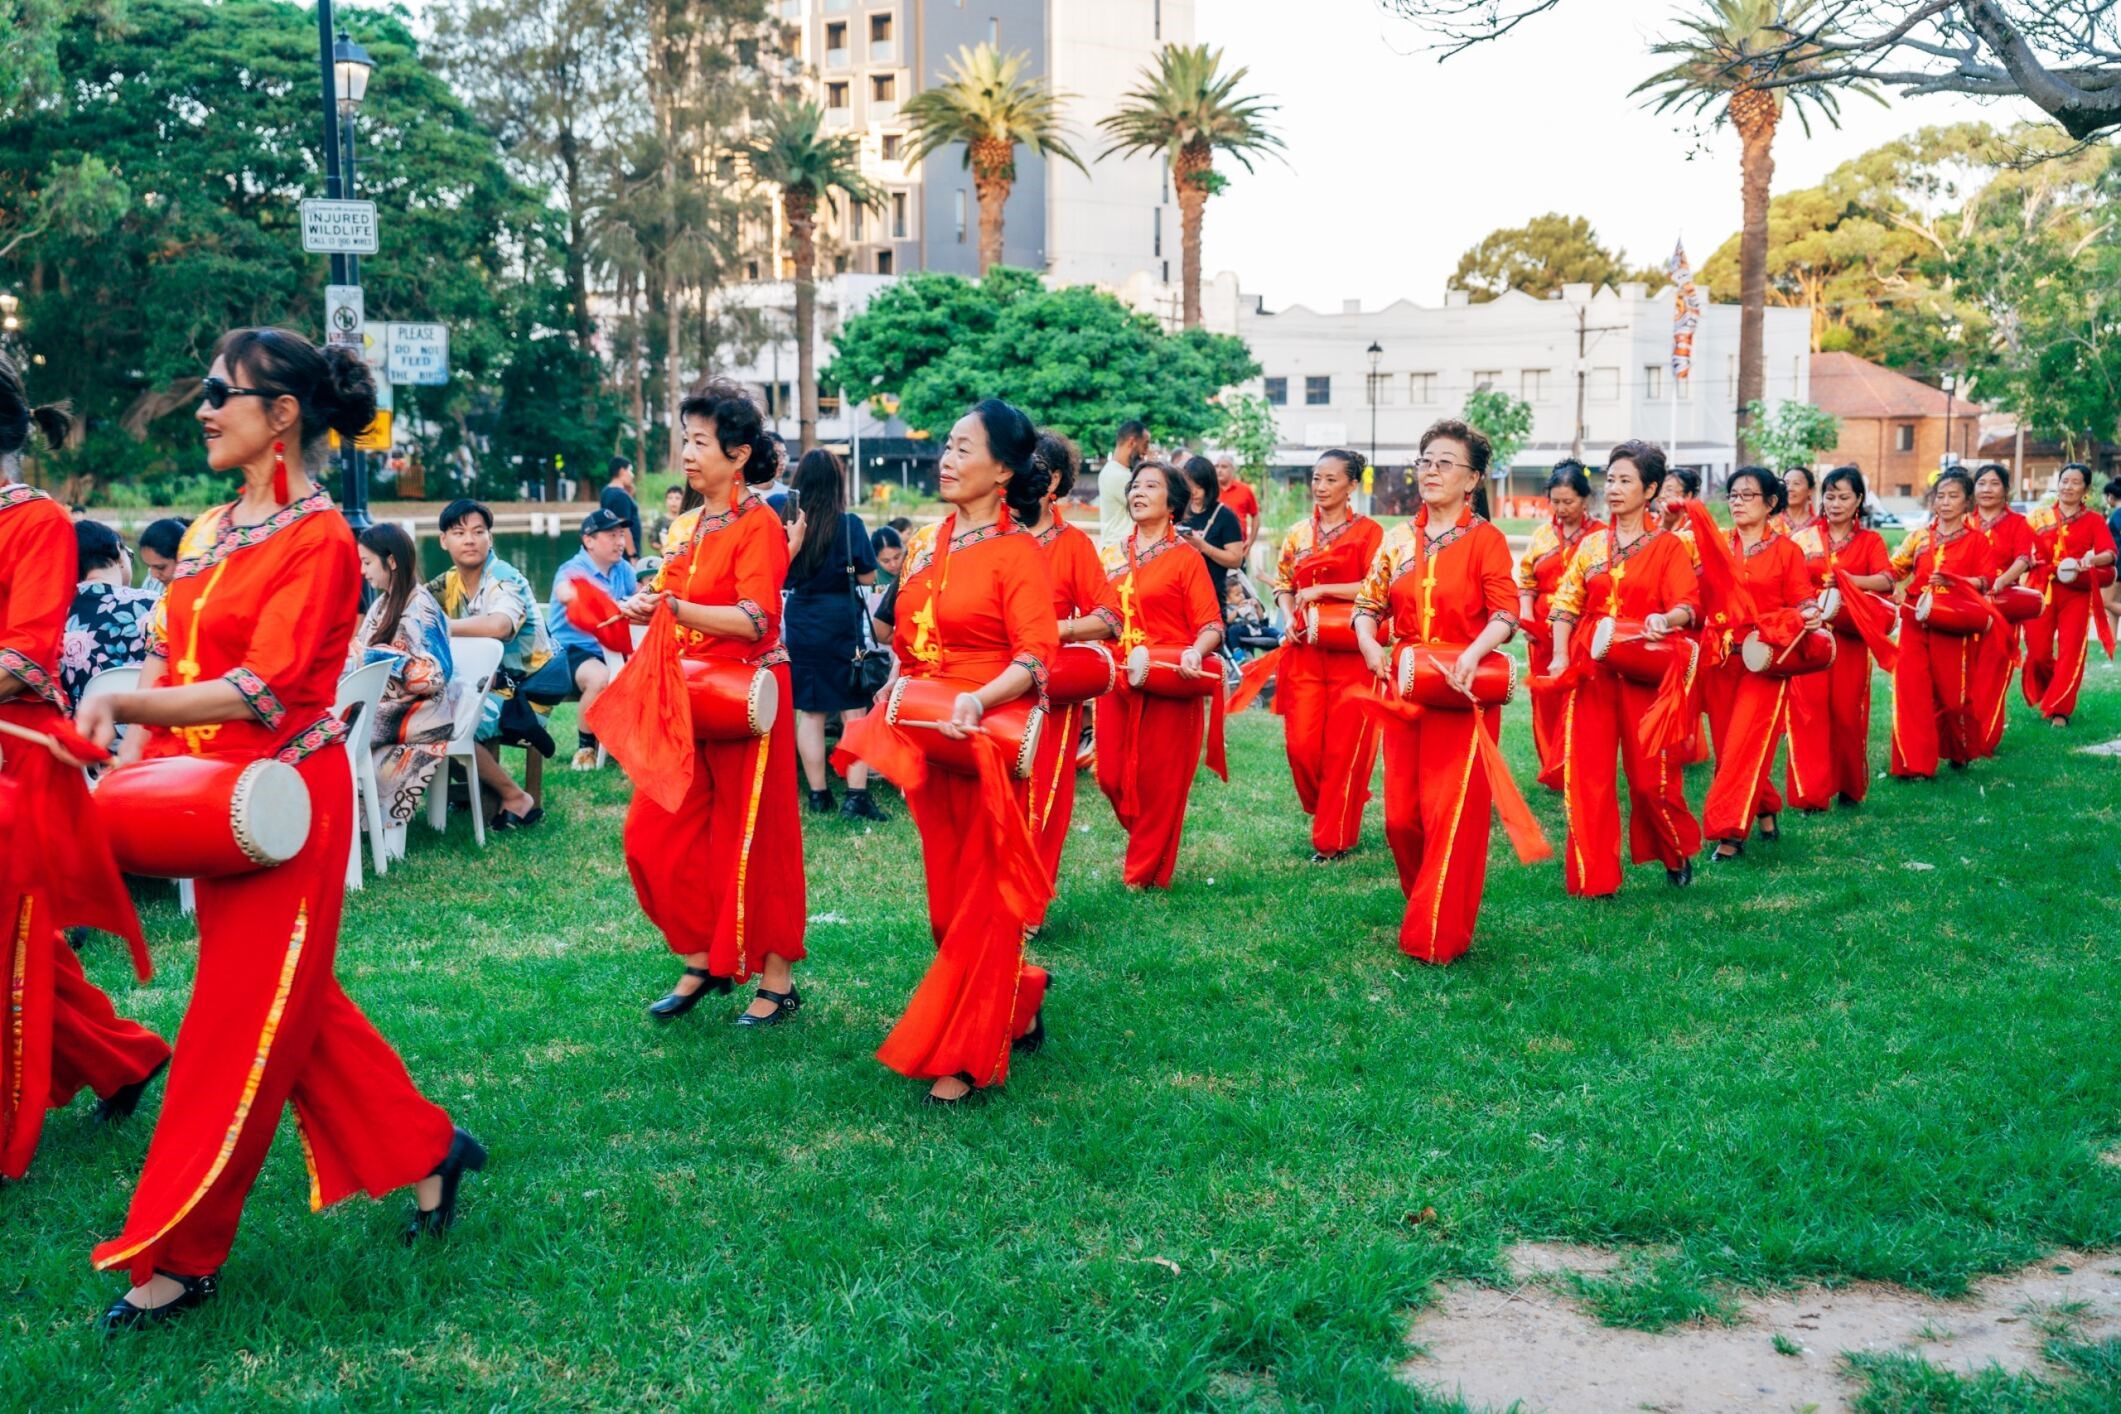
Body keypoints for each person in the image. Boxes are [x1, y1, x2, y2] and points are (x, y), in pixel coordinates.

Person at [78, 327, 483, 1331]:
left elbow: (263, 690)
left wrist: (125, 712)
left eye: (224, 391)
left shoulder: (319, 539)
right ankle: (429, 1149)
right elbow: (173, 659)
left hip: (282, 806)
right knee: (293, 1011)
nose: (205, 406)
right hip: (206, 800)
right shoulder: (213, 525)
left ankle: (175, 1255)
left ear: (283, 415)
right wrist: (135, 742)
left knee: (233, 1026)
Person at [847, 399, 1059, 1105]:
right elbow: (906, 643)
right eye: (946, 445)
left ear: (1002, 469)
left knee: (984, 900)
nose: (946, 458)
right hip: (927, 738)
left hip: (987, 735)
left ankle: (970, 1053)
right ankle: (1021, 992)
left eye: (964, 449)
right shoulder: (926, 542)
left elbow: (1037, 656)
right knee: (945, 908)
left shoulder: (1018, 552)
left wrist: (981, 697)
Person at [0, 354, 170, 1187]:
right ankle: (127, 1057)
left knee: (9, 945)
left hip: (17, 764)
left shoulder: (34, 524)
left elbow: (27, 660)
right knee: (23, 953)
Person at [617, 380, 807, 1026]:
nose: (688, 454)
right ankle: (705, 957)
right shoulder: (692, 526)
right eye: (686, 440)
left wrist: (676, 606)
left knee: (759, 839)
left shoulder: (762, 526)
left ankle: (776, 982)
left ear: (739, 453)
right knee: (651, 833)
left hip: (751, 696)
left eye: (700, 442)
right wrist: (647, 601)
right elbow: (669, 590)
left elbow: (757, 619)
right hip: (693, 694)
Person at [1352, 420, 1521, 964]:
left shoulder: (1486, 540)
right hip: (1404, 685)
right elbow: (1365, 607)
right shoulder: (1398, 540)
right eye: (1425, 459)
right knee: (1402, 819)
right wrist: (1369, 646)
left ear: (1471, 479)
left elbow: (1505, 613)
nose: (1430, 469)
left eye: (1445, 462)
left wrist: (1472, 655)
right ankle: (1428, 903)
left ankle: (1438, 937)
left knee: (1452, 814)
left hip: (1462, 689)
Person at [1548, 440, 1704, 895]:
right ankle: (1594, 878)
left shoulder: (1668, 546)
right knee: (1588, 777)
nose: (1613, 489)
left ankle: (1674, 851)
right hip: (1592, 667)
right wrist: (1560, 654)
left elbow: (1687, 605)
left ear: (1650, 488)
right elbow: (1565, 604)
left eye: (1625, 481)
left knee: (1649, 780)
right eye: (1610, 479)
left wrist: (1666, 618)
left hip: (1645, 666)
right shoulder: (1593, 544)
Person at [1095, 459, 1226, 890]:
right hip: (1117, 677)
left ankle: (1142, 872)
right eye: (1134, 485)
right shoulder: (1111, 554)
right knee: (1111, 776)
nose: (1137, 492)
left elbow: (1211, 625)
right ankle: (1152, 840)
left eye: (1150, 486)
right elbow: (1098, 612)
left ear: (1172, 503)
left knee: (1160, 783)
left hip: (1171, 677)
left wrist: (1195, 651)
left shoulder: (1186, 559)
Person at [1270, 450, 1384, 862]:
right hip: (1304, 651)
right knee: (1301, 746)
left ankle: (1333, 838)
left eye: (1331, 479)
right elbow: (1283, 584)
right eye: (1316, 478)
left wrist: (1323, 591)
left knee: (1343, 748)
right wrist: (1286, 615)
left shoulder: (1371, 533)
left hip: (1353, 651)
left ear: (1352, 485)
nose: (1320, 487)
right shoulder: (1299, 534)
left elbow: (1378, 587)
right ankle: (1333, 808)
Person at [1699, 467, 1816, 862]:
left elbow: (1803, 602)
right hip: (1720, 660)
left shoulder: (1787, 552)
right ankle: (1766, 808)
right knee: (1729, 747)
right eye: (1733, 494)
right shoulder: (1713, 546)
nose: (1737, 501)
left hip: (1765, 661)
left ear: (1770, 503)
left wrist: (1811, 613)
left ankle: (1729, 834)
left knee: (1744, 744)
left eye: (1748, 495)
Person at [1026, 430, 1120, 909]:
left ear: (1054, 479)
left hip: (1049, 689)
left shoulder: (1073, 545)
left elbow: (1108, 617)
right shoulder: (985, 537)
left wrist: (1055, 630)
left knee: (1043, 798)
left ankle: (1027, 906)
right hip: (985, 684)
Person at [427, 498, 550, 828]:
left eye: (479, 531)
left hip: (524, 693)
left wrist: (443, 627)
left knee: (444, 721)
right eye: (459, 532)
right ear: (444, 540)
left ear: (490, 538)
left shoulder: (504, 577)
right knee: (421, 713)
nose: (470, 539)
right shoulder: (449, 582)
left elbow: (499, 625)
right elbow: (415, 607)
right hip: (486, 686)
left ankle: (514, 796)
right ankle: (473, 791)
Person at [782, 448, 884, 819]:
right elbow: (868, 577)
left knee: (810, 711)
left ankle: (818, 794)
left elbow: (781, 571)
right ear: (837, 483)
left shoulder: (789, 523)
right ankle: (856, 796)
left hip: (801, 618)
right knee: (852, 709)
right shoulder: (849, 524)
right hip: (839, 620)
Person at [1785, 466, 1894, 810]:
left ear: (1859, 500)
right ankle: (1811, 795)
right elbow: (1787, 579)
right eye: (1830, 496)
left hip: (1849, 636)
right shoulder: (1804, 537)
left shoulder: (1869, 541)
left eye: (1843, 496)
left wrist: (1848, 581)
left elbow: (1887, 580)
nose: (1835, 503)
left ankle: (1849, 786)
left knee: (1847, 713)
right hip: (1810, 634)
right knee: (1808, 712)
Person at [1887, 467, 2003, 778]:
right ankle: (1915, 765)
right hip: (1916, 618)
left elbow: (1986, 580)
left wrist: (1956, 580)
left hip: (1953, 623)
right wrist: (1886, 584)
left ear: (1967, 504)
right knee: (1910, 691)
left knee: (1953, 698)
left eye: (1954, 496)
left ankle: (1958, 748)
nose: (1946, 502)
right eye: (1941, 496)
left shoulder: (1977, 541)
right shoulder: (1919, 537)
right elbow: (1895, 569)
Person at [348, 523, 460, 830]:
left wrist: (377, 657)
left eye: (367, 562)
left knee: (337, 728)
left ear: (392, 561)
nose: (362, 571)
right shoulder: (383, 604)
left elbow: (436, 674)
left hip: (420, 715)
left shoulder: (421, 609)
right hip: (388, 707)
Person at [1516, 459, 1603, 787]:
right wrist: (1525, 614)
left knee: (1582, 699)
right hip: (1542, 630)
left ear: (1585, 500)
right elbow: (1526, 580)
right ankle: (1553, 767)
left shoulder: (1600, 536)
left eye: (1569, 502)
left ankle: (1579, 763)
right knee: (1546, 698)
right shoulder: (1541, 536)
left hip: (1583, 629)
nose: (1562, 508)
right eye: (1555, 501)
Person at [2023, 462, 2117, 726]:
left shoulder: (2094, 520)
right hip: (2041, 588)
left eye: (2075, 482)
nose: (2068, 486)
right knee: (2038, 652)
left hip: (2075, 592)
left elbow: (2110, 554)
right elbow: (2023, 550)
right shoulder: (2039, 517)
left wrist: (2090, 560)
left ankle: (2060, 709)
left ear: (2085, 489)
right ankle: (2053, 686)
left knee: (2071, 650)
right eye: (2065, 480)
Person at [545, 507, 639, 770]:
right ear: (589, 540)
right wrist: (589, 599)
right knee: (600, 678)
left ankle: (630, 745)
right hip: (570, 650)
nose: (620, 542)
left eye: (621, 535)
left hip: (609, 647)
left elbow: (639, 598)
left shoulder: (623, 570)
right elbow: (565, 592)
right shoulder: (571, 569)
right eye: (612, 535)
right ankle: (586, 747)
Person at [1970, 463, 2035, 749]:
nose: (1986, 489)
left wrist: (2001, 581)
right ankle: (1958, 738)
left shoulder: (2018, 523)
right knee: (1964, 671)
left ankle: (1982, 739)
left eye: (1994, 483)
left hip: (2002, 605)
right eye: (1981, 483)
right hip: (1964, 606)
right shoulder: (1962, 520)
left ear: (2006, 489)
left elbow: (2023, 558)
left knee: (1992, 674)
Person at [61, 519, 157, 707]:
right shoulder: (154, 604)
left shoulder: (55, 613)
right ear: (118, 552)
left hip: (79, 729)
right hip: (144, 724)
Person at [1178, 455, 1247, 609]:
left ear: (1209, 486)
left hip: (1212, 599)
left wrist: (1203, 546)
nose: (1194, 492)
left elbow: (1236, 560)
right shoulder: (1179, 513)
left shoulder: (1225, 516)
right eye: (1190, 486)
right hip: (1181, 598)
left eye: (1199, 486)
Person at [1096, 419, 1149, 548]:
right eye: (1145, 445)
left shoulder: (1119, 472)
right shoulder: (1116, 475)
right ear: (1132, 443)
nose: (1146, 452)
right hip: (1118, 553)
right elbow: (1149, 506)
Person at [1214, 451, 1261, 554]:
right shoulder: (1211, 491)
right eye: (1217, 466)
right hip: (1214, 547)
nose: (1219, 470)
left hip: (1239, 547)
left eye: (1224, 467)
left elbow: (1256, 515)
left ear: (1233, 469)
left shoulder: (1245, 490)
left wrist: (1251, 540)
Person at [601, 455, 642, 560]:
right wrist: (633, 555)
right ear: (622, 471)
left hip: (612, 549)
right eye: (630, 471)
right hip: (625, 554)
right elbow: (623, 527)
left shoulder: (606, 491)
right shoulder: (620, 496)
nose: (632, 475)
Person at [137, 517, 190, 596]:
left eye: (160, 567)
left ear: (183, 558)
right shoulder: (153, 580)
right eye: (149, 567)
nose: (153, 575)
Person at [1773, 466, 1821, 537]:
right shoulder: (1772, 521)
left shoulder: (1819, 525)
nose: (1789, 488)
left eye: (1796, 483)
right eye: (1786, 483)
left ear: (1810, 490)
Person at [871, 524, 906, 594]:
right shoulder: (871, 579)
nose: (893, 564)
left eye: (897, 557)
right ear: (876, 559)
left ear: (903, 549)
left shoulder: (914, 566)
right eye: (886, 561)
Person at [650, 484, 684, 555]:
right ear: (666, 500)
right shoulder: (660, 521)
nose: (673, 501)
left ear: (683, 500)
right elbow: (653, 542)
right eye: (670, 498)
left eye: (677, 498)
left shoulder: (686, 520)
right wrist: (665, 547)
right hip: (664, 558)